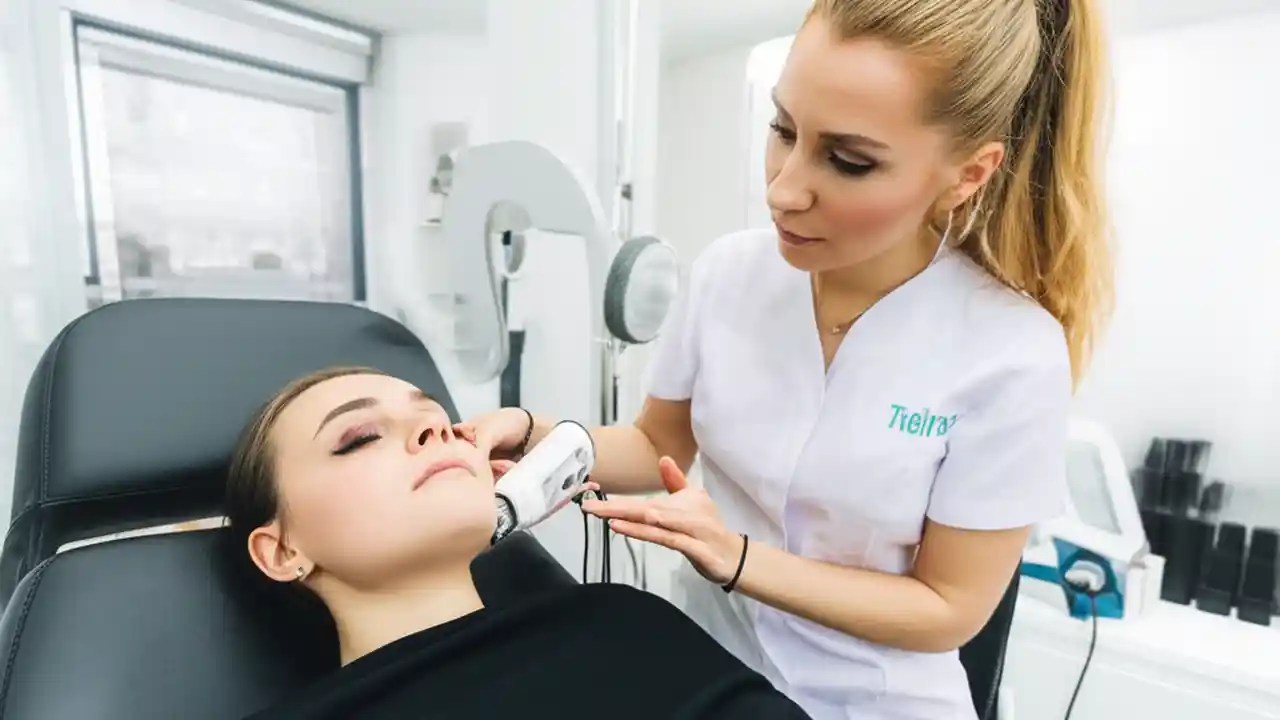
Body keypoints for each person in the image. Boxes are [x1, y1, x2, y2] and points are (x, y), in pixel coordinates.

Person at [459, 0, 1113, 718]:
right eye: (782, 129)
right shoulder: (729, 274)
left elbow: (947, 608)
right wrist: (539, 434)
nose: (782, 189)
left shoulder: (1011, 352)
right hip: (709, 680)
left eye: (849, 161)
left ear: (968, 174)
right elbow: (655, 446)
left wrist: (737, 558)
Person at [226, 366, 810, 720]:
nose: (435, 429)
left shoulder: (622, 619)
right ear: (282, 552)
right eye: (359, 438)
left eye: (441, 420)